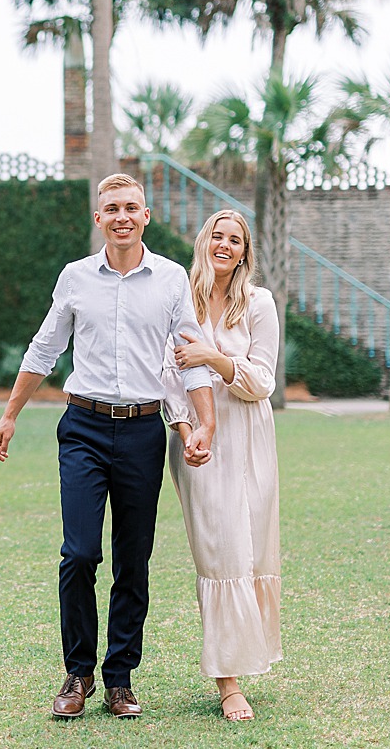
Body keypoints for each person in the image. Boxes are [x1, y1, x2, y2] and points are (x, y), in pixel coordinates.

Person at [0, 173, 216, 721]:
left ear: (145, 216)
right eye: (111, 208)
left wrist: (203, 423)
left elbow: (189, 356)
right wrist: (10, 415)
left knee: (132, 557)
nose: (121, 216)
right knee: (80, 553)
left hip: (142, 431)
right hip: (84, 429)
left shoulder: (170, 278)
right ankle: (77, 672)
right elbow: (45, 347)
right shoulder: (75, 278)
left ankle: (120, 679)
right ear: (99, 219)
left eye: (130, 208)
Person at [164, 208, 282, 721]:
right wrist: (188, 434)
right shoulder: (177, 299)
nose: (225, 245)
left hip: (251, 437)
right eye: (218, 235)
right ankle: (228, 683)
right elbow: (167, 379)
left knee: (250, 550)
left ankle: (241, 660)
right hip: (197, 441)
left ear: (244, 253)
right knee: (220, 553)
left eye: (235, 240)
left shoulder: (258, 304)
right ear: (203, 241)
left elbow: (261, 381)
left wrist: (211, 357)